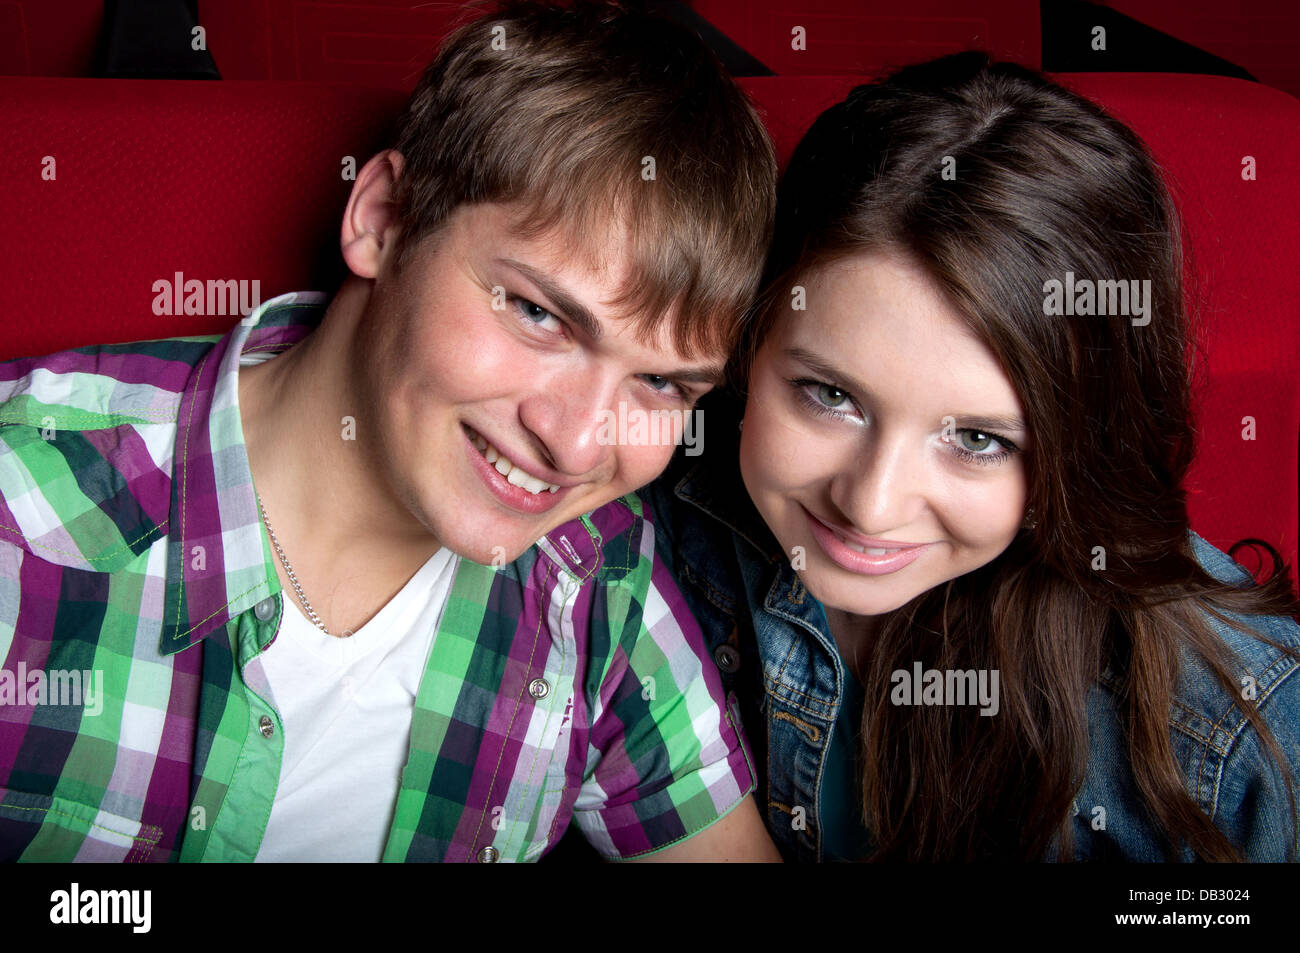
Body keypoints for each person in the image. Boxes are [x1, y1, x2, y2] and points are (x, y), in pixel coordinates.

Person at [0, 0, 780, 862]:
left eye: (661, 381)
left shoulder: (599, 584)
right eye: (537, 314)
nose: (580, 443)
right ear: (381, 219)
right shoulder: (24, 507)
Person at [645, 51, 1300, 861]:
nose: (871, 504)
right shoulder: (636, 520)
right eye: (829, 394)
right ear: (751, 343)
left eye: (979, 440)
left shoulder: (1233, 725)